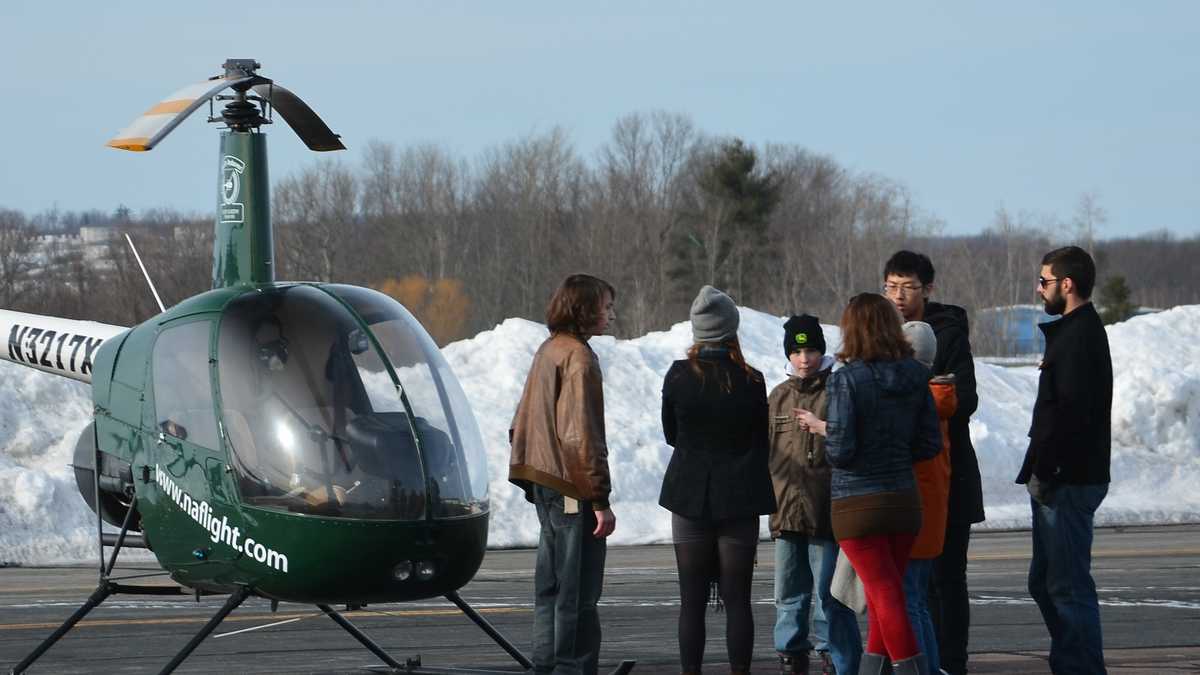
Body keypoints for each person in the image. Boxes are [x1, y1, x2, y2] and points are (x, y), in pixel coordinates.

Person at [660, 285, 777, 675]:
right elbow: (761, 436)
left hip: (689, 494)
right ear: (731, 329)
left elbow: (671, 434)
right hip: (739, 498)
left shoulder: (679, 375)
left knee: (691, 601)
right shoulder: (752, 379)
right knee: (738, 599)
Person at [823, 293, 941, 675]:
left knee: (886, 597)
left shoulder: (845, 379)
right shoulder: (915, 376)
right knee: (882, 595)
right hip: (904, 501)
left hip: (857, 504)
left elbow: (840, 450)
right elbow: (929, 443)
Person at [509, 273, 618, 675]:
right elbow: (581, 435)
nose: (611, 315)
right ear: (584, 310)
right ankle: (572, 668)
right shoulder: (579, 357)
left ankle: (547, 664)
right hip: (571, 486)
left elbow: (519, 423)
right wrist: (599, 497)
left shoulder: (548, 349)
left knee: (550, 587)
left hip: (545, 480)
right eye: (606, 307)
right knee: (577, 589)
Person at [882, 251, 984, 675]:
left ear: (927, 290)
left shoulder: (948, 335)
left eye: (908, 287)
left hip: (948, 473)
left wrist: (914, 394)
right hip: (898, 478)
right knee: (905, 583)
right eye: (891, 287)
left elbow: (966, 399)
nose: (898, 296)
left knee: (946, 578)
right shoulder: (881, 335)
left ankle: (952, 663)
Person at [1016, 246, 1112, 674]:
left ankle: (1081, 667)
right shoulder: (1073, 332)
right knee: (1045, 583)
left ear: (1066, 284)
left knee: (1067, 587)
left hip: (1068, 480)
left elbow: (1071, 415)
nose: (1039, 289)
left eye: (1045, 281)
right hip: (1059, 477)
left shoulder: (1079, 337)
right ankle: (1072, 662)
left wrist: (1049, 470)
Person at [768, 314, 862, 674]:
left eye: (810, 350)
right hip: (785, 510)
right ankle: (790, 651)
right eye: (796, 352)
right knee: (787, 591)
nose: (804, 359)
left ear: (821, 351)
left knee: (827, 593)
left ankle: (829, 651)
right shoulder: (778, 396)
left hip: (825, 510)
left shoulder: (837, 390)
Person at [901, 321, 956, 675]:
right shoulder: (937, 399)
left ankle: (923, 669)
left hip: (915, 514)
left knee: (910, 602)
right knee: (917, 601)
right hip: (930, 516)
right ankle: (931, 667)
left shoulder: (917, 402)